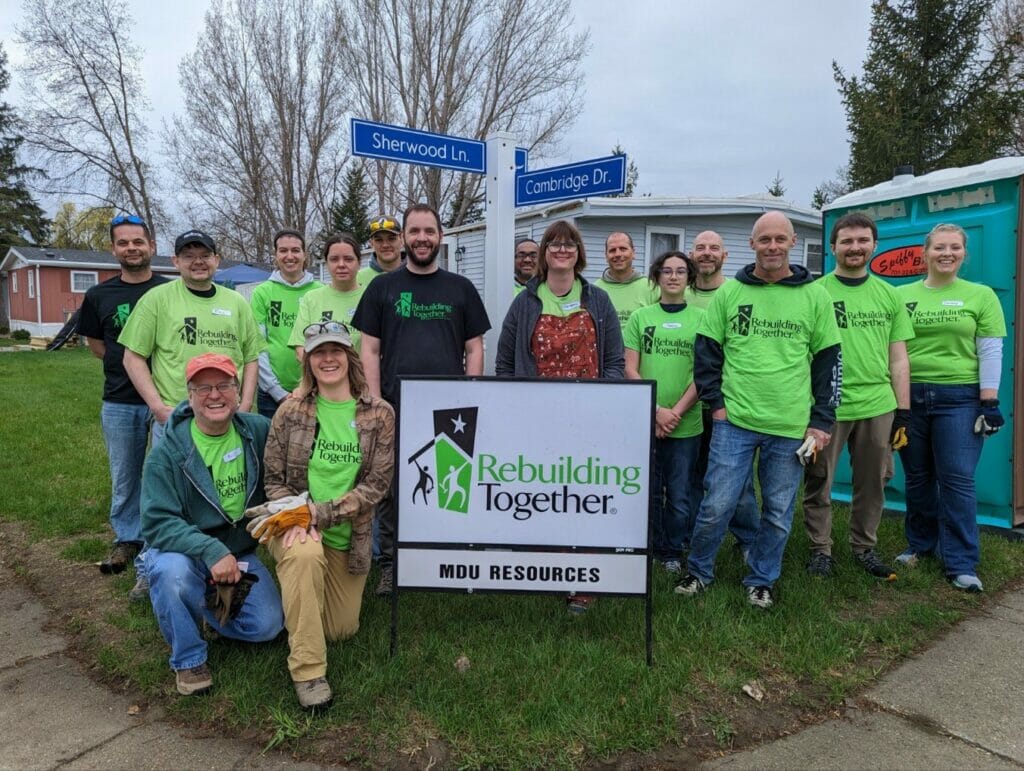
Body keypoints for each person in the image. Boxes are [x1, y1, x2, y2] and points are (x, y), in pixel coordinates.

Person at [676, 211, 841, 610]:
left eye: (779, 239)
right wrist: (716, 406)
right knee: (717, 505)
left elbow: (828, 362)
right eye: (764, 239)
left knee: (779, 511)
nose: (772, 246)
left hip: (789, 424)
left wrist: (822, 420)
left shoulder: (814, 295)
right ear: (752, 245)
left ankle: (761, 579)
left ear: (791, 243)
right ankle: (698, 571)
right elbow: (707, 353)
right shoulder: (731, 293)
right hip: (734, 421)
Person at [252, 321, 394, 710]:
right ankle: (308, 673)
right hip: (297, 527)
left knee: (340, 630)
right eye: (319, 353)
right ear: (308, 361)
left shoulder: (380, 414)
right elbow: (274, 481)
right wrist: (300, 517)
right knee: (303, 556)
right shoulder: (290, 410)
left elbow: (376, 486)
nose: (328, 359)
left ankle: (293, 606)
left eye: (335, 351)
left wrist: (321, 514)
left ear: (349, 357)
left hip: (348, 536)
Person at [352, 203, 491, 595]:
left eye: (429, 231)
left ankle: (447, 561)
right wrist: (376, 404)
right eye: (414, 231)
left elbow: (475, 347)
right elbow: (370, 350)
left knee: (451, 486)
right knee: (393, 491)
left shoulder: (460, 288)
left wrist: (471, 391)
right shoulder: (382, 288)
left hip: (451, 410)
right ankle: (392, 565)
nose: (422, 238)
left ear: (440, 237)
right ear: (403, 239)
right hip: (395, 406)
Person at [496, 219, 624, 613]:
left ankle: (582, 581)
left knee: (582, 496)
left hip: (587, 420)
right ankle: (544, 569)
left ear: (578, 253)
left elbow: (616, 361)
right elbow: (504, 361)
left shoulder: (598, 300)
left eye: (570, 244)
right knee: (542, 494)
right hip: (537, 419)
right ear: (544, 254)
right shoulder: (525, 301)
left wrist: (604, 403)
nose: (562, 250)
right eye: (555, 244)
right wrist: (513, 407)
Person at [140, 353, 284, 696]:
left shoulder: (257, 431)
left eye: (223, 385)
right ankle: (189, 659)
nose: (215, 395)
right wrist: (210, 550)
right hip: (184, 549)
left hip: (237, 550)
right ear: (189, 396)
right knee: (171, 575)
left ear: (237, 392)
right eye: (203, 388)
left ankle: (206, 605)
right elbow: (156, 522)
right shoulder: (167, 452)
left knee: (267, 627)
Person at [896, 223, 1006, 592]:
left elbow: (991, 349)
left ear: (963, 254)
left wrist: (989, 401)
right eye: (939, 247)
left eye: (955, 248)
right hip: (910, 396)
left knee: (957, 478)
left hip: (960, 398)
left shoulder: (981, 295)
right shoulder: (901, 295)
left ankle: (960, 562)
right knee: (917, 477)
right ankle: (920, 546)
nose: (947, 253)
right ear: (925, 253)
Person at [803, 213, 913, 580]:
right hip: (828, 406)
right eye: (846, 241)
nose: (855, 247)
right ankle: (821, 550)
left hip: (878, 405)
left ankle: (864, 547)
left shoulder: (888, 295)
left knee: (873, 482)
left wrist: (903, 410)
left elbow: (898, 358)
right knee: (820, 479)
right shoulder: (815, 293)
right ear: (833, 247)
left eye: (862, 240)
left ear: (874, 246)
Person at [78, 214, 168, 577]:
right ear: (113, 249)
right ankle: (127, 538)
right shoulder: (99, 295)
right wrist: (128, 366)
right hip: (119, 399)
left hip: (165, 398)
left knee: (163, 473)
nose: (131, 248)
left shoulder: (168, 291)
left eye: (138, 242)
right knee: (125, 474)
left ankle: (161, 537)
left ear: (151, 246)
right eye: (123, 243)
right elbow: (97, 345)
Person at [120, 229, 265, 445]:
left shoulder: (236, 302)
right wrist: (158, 408)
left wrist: (244, 406)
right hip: (177, 417)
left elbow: (251, 357)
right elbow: (132, 357)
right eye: (189, 256)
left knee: (229, 477)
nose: (198, 262)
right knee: (172, 479)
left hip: (227, 415)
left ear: (216, 260)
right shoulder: (157, 299)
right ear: (176, 261)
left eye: (205, 255)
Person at [624, 251, 703, 574]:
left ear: (689, 278)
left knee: (681, 493)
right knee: (650, 490)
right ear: (656, 277)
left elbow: (705, 373)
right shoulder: (641, 318)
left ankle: (673, 549)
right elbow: (629, 368)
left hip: (687, 423)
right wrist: (657, 411)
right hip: (646, 420)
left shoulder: (702, 319)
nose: (673, 276)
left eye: (680, 271)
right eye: (667, 271)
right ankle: (650, 546)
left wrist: (676, 413)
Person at [684, 230, 759, 557]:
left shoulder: (737, 293)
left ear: (725, 255)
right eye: (700, 247)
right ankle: (691, 537)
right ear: (692, 255)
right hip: (684, 406)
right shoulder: (678, 293)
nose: (707, 253)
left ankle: (748, 540)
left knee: (738, 485)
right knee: (691, 478)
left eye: (714, 248)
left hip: (725, 404)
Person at [249, 228, 321, 419]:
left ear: (304, 255)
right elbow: (258, 346)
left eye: (296, 250)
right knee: (272, 448)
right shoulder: (262, 293)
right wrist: (276, 391)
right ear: (275, 255)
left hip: (316, 389)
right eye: (283, 250)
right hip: (271, 394)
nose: (290, 256)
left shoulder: (319, 291)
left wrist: (310, 384)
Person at [289, 233, 365, 356]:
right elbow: (300, 348)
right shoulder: (311, 298)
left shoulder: (372, 296)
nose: (341, 265)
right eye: (334, 259)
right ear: (326, 263)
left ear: (359, 262)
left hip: (363, 375)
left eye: (348, 259)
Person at [594, 231, 659, 329]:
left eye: (623, 249)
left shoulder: (652, 287)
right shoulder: (594, 290)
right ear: (606, 256)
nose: (618, 254)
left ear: (633, 253)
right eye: (612, 250)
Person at [357, 215, 403, 286]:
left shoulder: (417, 274)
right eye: (379, 240)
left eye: (391, 239)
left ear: (401, 239)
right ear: (371, 243)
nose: (385, 245)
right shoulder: (357, 280)